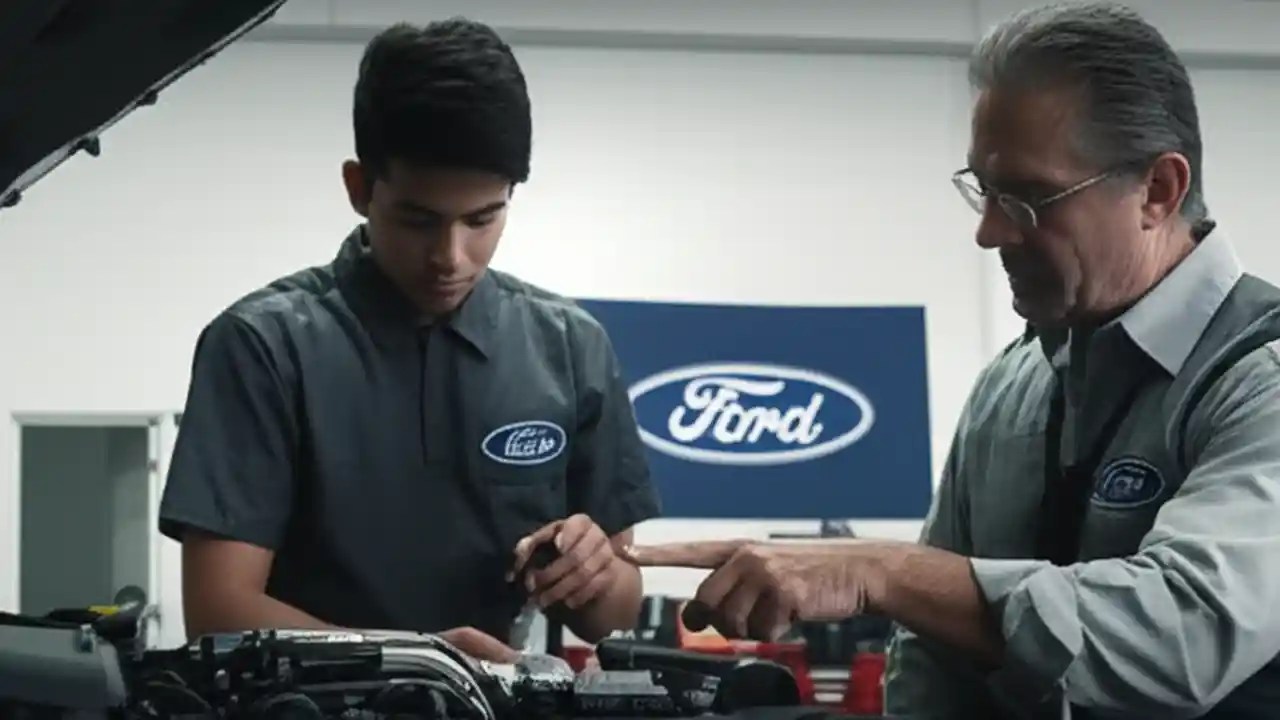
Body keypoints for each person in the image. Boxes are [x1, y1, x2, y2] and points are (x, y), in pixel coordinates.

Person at [624, 2, 1280, 717]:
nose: (989, 232)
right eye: (983, 189)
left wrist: (883, 569)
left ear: (1158, 190)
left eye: (1028, 198)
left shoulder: (1260, 380)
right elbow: (932, 655)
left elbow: (1179, 639)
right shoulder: (1012, 385)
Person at [158, 18, 661, 662]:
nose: (451, 257)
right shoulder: (263, 345)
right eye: (420, 220)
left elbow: (612, 613)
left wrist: (595, 572)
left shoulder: (570, 347)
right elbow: (218, 610)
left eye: (482, 219)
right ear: (360, 188)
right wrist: (424, 659)